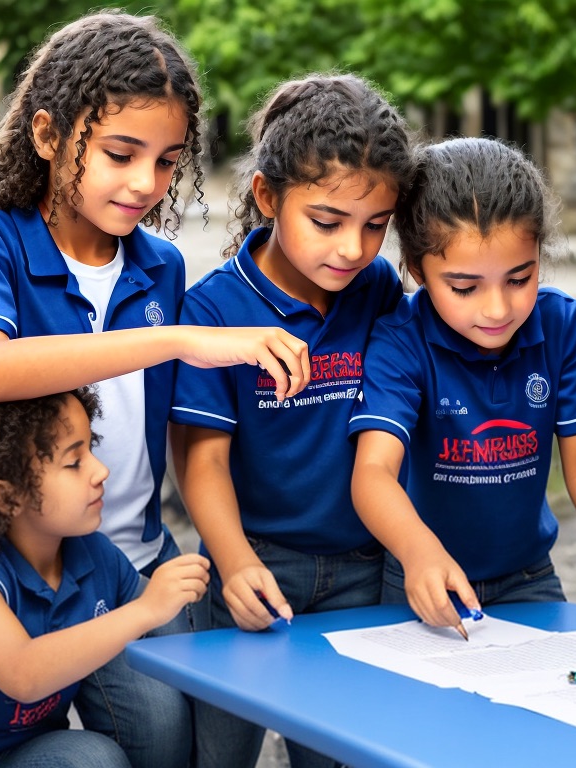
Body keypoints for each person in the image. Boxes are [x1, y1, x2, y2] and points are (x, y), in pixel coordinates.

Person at [0, 11, 308, 767]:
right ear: (47, 135)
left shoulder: (160, 264)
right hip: (28, 571)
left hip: (136, 556)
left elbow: (173, 420)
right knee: (151, 741)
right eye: (119, 153)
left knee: (221, 722)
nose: (145, 183)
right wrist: (178, 338)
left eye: (168, 162)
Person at [170, 73, 414, 768]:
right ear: (268, 197)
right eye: (328, 222)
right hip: (251, 565)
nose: (352, 249)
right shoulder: (215, 310)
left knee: (338, 754)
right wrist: (237, 563)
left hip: (364, 572)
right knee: (218, 754)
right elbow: (201, 458)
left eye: (375, 226)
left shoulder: (377, 292)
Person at [349, 136, 576, 633]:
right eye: (465, 287)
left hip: (527, 579)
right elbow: (373, 473)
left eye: (520, 279)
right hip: (422, 575)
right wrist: (419, 554)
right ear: (416, 270)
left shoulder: (561, 325)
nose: (497, 309)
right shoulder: (401, 339)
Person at [0, 386, 210, 767]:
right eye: (74, 462)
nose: (101, 471)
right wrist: (147, 609)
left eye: (92, 450)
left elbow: (168, 617)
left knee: (109, 744)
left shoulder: (94, 554)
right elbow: (23, 673)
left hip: (31, 752)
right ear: (7, 497)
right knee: (92, 762)